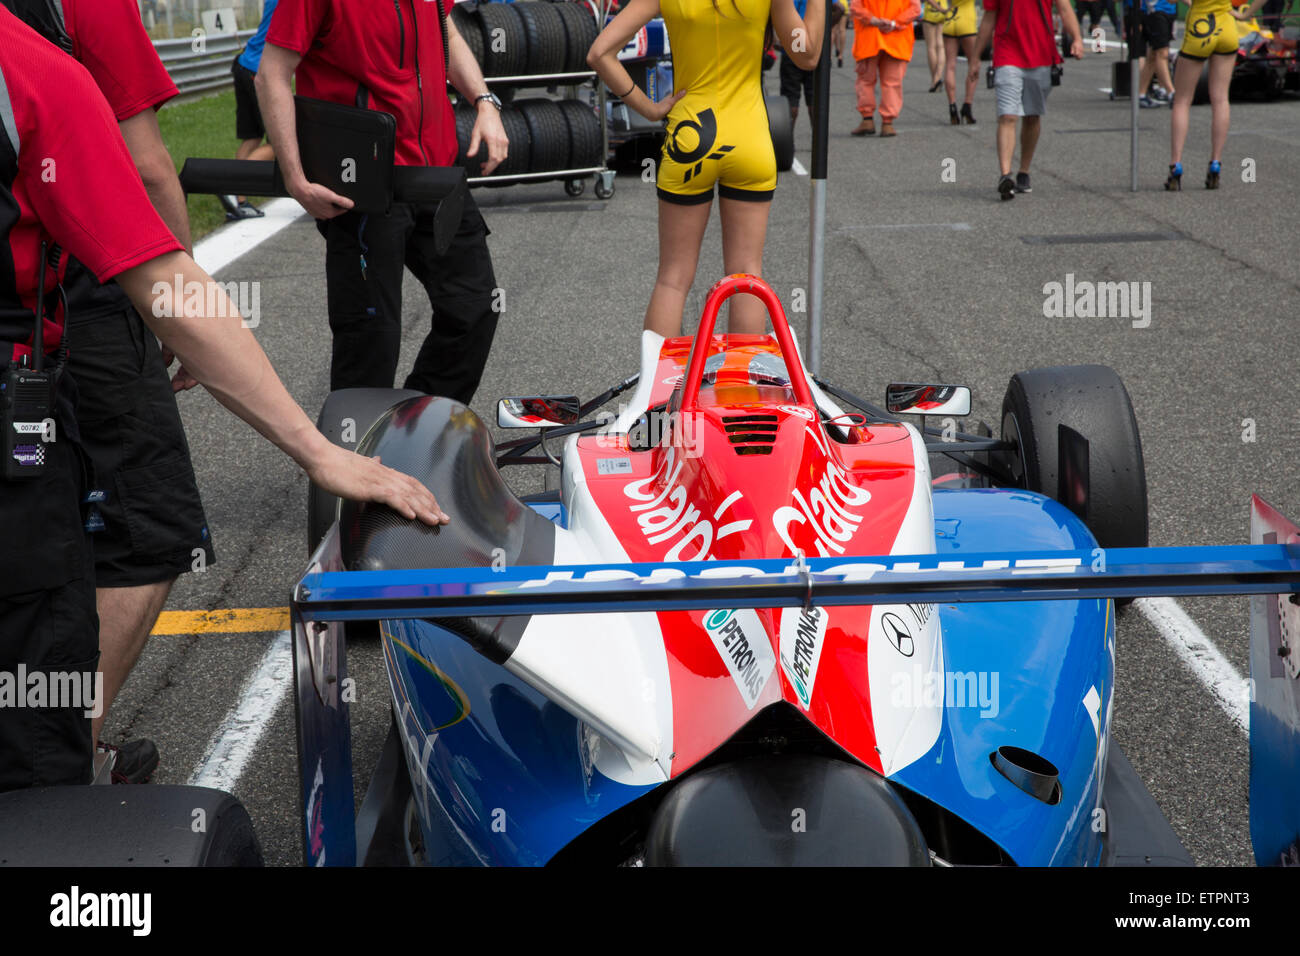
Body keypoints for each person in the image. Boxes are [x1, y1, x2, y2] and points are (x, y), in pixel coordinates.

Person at [0, 5, 447, 794]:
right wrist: (319, 451)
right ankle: (68, 770)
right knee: (36, 749)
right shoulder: (30, 72)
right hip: (22, 435)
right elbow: (168, 280)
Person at [0, 0, 212, 784]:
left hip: (35, 297)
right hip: (78, 282)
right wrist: (181, 317)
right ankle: (73, 749)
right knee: (152, 530)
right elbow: (150, 166)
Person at [257, 0, 508, 402]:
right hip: (363, 184)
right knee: (371, 338)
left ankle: (415, 427)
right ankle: (353, 456)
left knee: (475, 306)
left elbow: (447, 29)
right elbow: (271, 74)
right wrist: (295, 178)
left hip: (435, 175)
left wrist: (484, 100)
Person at [589, 0, 824, 338]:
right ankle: (743, 385)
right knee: (746, 276)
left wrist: (650, 109)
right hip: (749, 138)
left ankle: (663, 386)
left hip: (690, 137)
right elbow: (807, 55)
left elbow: (599, 54)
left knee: (672, 278)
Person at [975, 0, 1084, 199]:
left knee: (1032, 116)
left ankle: (1024, 172)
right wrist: (975, 58)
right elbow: (989, 18)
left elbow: (1065, 8)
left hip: (1041, 54)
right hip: (1007, 54)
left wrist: (1076, 38)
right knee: (1008, 116)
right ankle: (1005, 176)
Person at [1166, 0, 1265, 190]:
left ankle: (1175, 165)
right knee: (1220, 99)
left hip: (1200, 25)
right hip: (1227, 25)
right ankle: (1215, 163)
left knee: (1182, 100)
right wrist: (1245, 14)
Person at [226, 0, 280, 219]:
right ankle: (231, 184)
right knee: (279, 142)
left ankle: (239, 202)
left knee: (252, 138)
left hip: (244, 63)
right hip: (259, 71)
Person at [850, 0, 922, 137]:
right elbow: (915, 8)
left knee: (865, 81)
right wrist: (895, 23)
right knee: (892, 83)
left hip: (869, 37)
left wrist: (873, 20)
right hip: (896, 39)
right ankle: (887, 123)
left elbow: (855, 7)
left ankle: (867, 119)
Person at [942, 0, 981, 124]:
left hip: (950, 18)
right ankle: (967, 105)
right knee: (974, 63)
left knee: (950, 65)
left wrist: (941, 9)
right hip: (967, 20)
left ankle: (952, 106)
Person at [779, 0, 817, 125]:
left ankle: (788, 142)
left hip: (793, 43)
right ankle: (817, 141)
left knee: (790, 98)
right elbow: (838, 8)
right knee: (814, 98)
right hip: (813, 43)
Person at [1134, 0, 1177, 108]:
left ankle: (1141, 94)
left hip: (1169, 11)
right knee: (1162, 53)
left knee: (1152, 56)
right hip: (1156, 12)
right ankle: (1171, 92)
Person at [921, 0, 953, 91]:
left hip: (931, 11)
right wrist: (944, 9)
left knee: (931, 47)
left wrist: (939, 9)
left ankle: (935, 80)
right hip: (944, 11)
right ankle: (938, 76)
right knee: (941, 46)